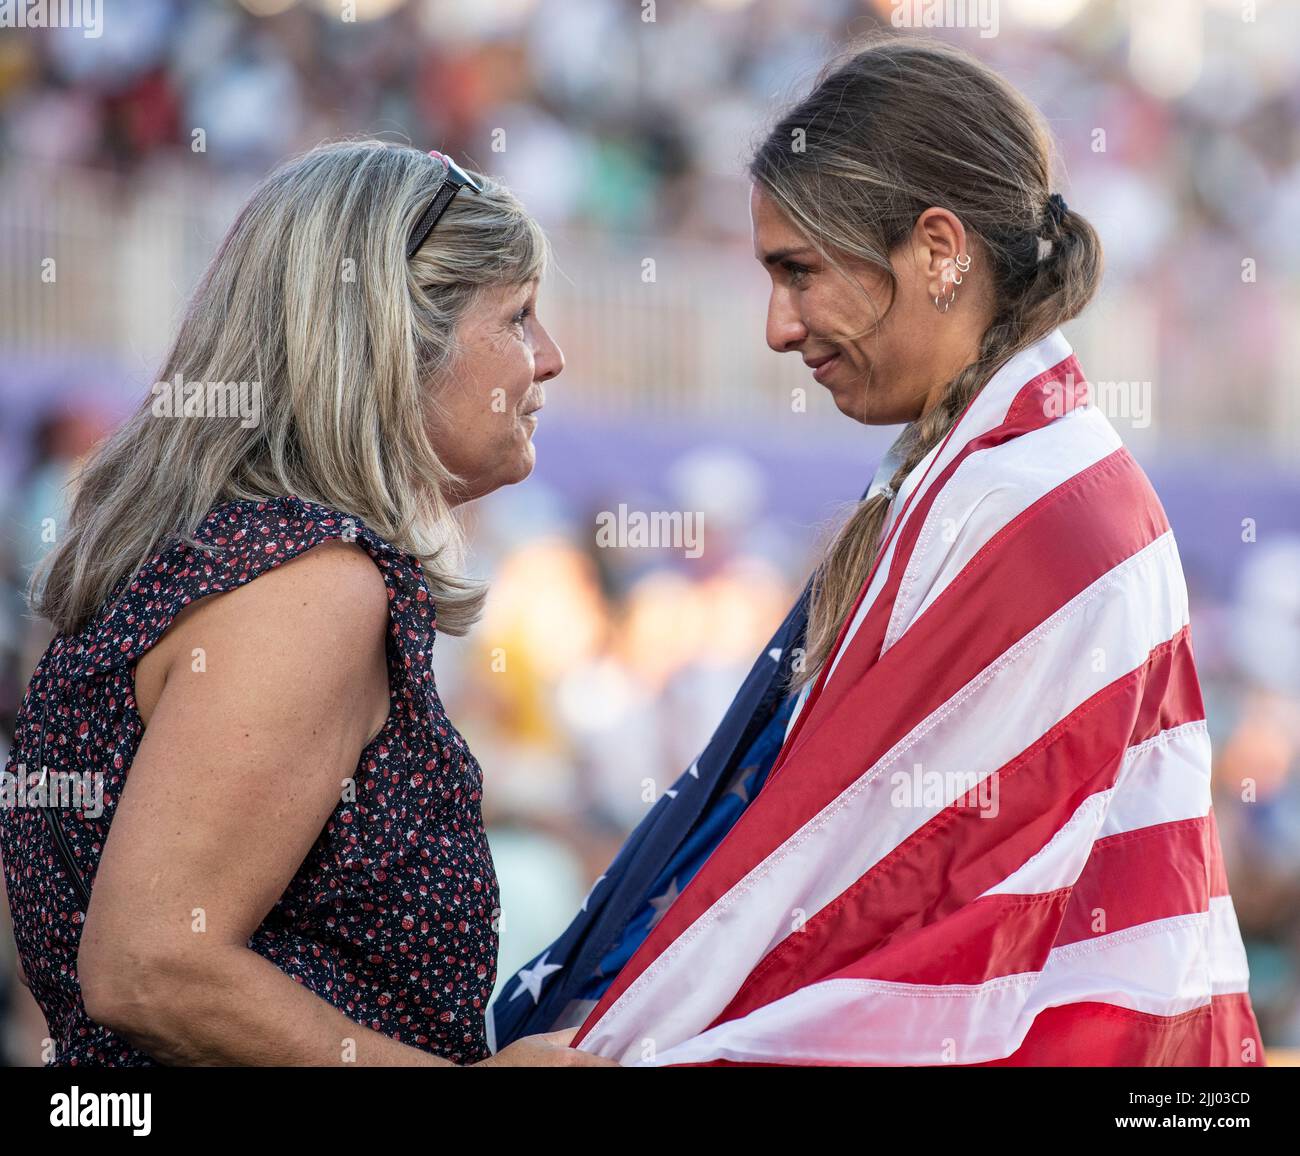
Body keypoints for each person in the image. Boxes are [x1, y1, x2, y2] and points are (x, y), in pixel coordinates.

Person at [491, 36, 1265, 1067]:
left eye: (800, 273)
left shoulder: (1022, 505)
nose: (777, 326)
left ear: (941, 249)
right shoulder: (986, 473)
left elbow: (903, 936)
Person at [0, 141, 612, 1067]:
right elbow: (149, 966)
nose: (552, 358)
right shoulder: (309, 583)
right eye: (519, 317)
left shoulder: (235, 559)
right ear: (391, 339)